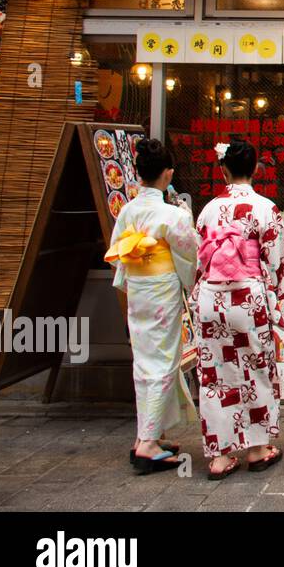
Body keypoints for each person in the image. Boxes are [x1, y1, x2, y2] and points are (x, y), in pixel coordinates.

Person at [192, 137, 284, 480]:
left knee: (215, 375)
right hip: (247, 297)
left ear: (224, 170)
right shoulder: (266, 208)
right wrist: (278, 302)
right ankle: (259, 449)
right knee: (255, 368)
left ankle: (220, 456)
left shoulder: (207, 209)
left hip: (210, 297)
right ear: (255, 169)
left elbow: (198, 258)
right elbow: (277, 261)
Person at [104, 138, 198, 475]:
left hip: (139, 287)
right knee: (162, 361)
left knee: (145, 359)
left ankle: (153, 434)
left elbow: (117, 252)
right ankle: (146, 442)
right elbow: (189, 255)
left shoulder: (128, 210)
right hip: (162, 287)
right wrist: (190, 283)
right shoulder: (173, 214)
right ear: (167, 174)